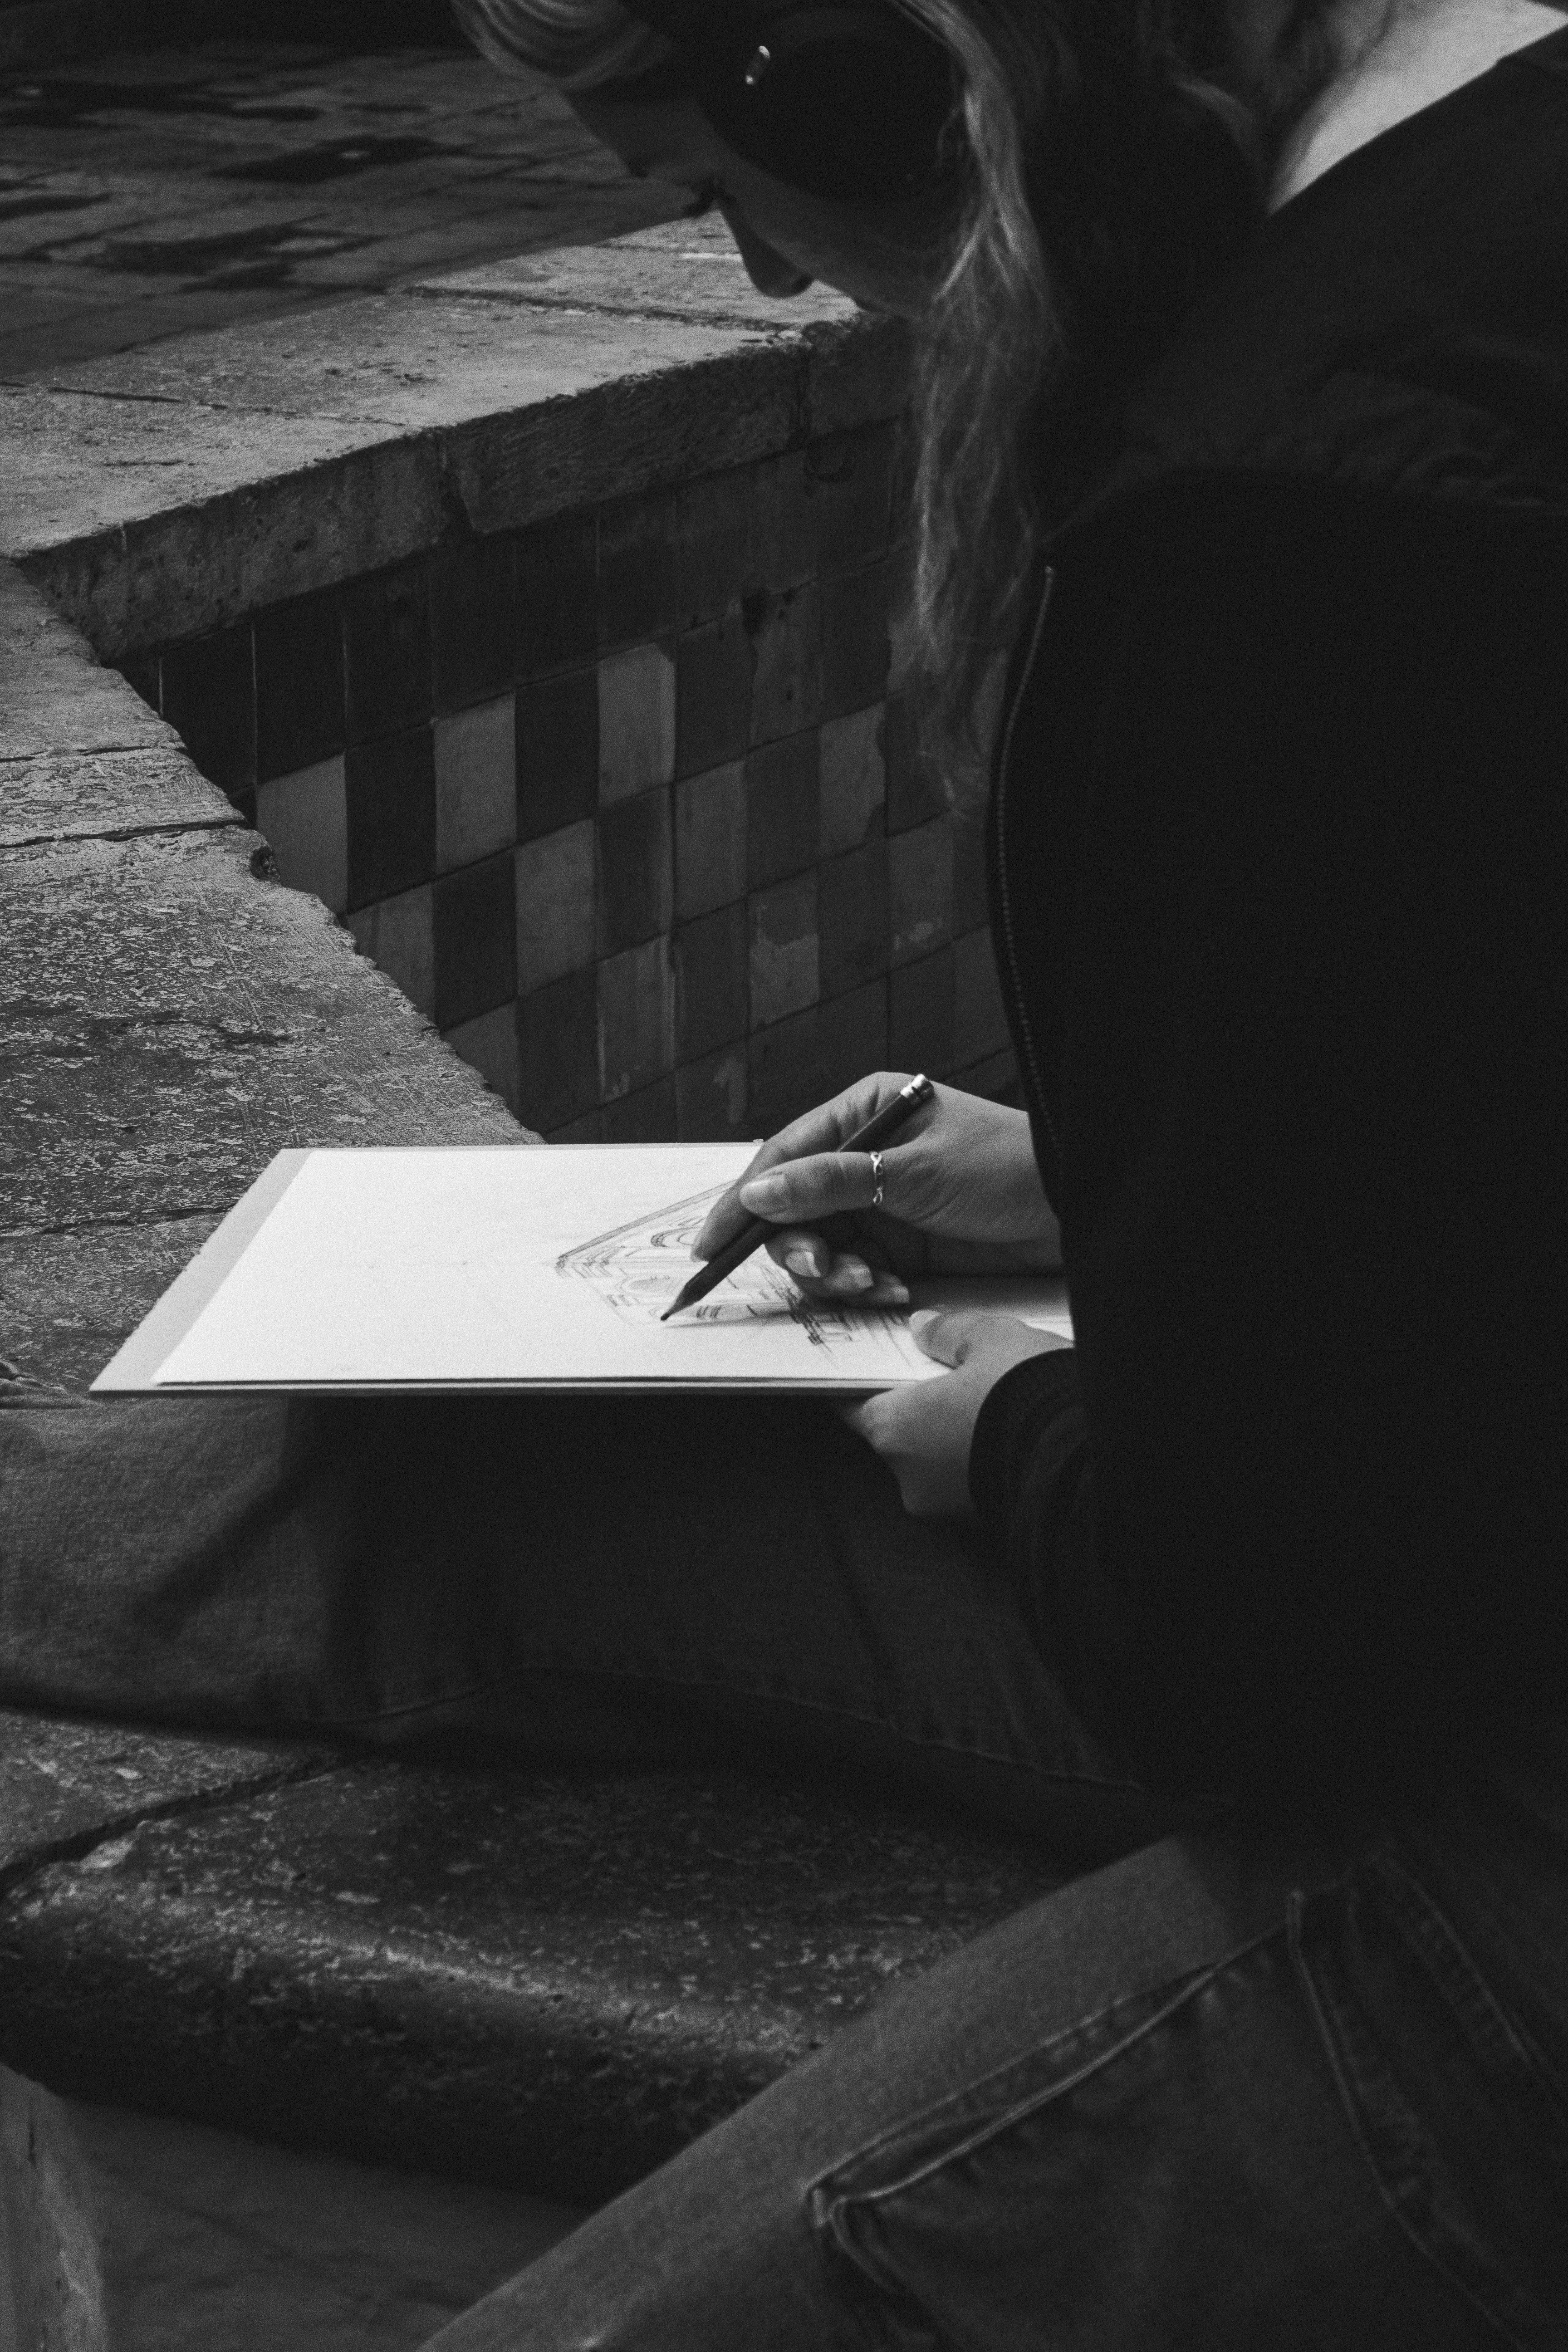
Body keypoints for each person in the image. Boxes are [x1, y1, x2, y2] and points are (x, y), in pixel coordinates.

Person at [2, 0, 1564, 2340]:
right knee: (404, 1479)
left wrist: (1007, 1439)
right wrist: (1110, 1181)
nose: (753, 283)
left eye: (708, 191)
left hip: (1475, 1810)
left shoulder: (1284, 520)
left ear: (848, 75)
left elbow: (1268, 1647)